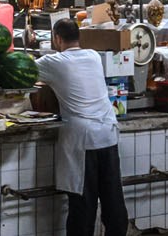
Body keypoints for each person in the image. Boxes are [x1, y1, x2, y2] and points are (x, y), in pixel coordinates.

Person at [34, 19, 127, 236]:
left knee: (83, 205)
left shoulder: (54, 62)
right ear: (79, 37)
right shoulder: (94, 56)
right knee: (113, 197)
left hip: (84, 139)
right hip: (108, 133)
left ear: (57, 38)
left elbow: (24, 69)